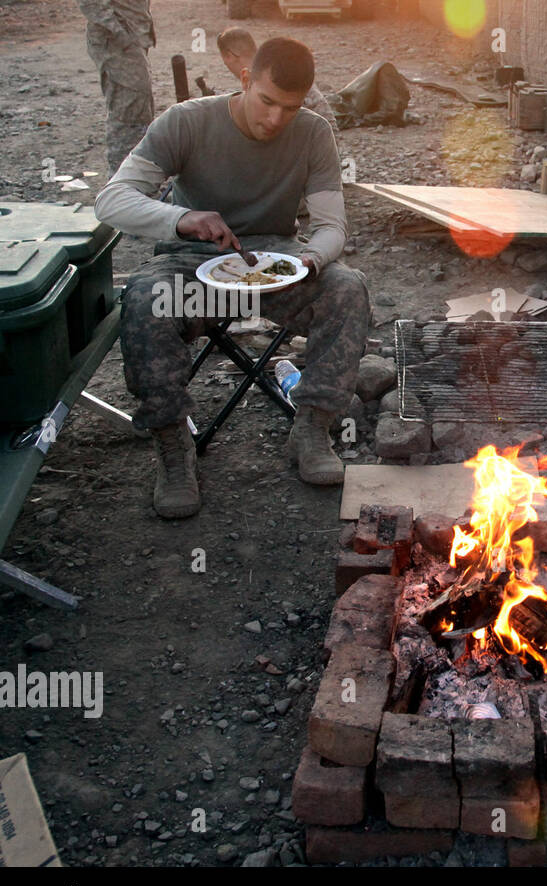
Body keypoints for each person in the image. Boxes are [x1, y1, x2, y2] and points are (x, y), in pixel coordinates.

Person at [95, 36, 369, 519]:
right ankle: (173, 444)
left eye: (290, 107)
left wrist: (310, 261)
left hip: (276, 261)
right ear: (245, 80)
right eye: (266, 101)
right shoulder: (187, 121)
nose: (275, 119)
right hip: (192, 257)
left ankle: (311, 426)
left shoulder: (313, 133)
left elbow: (331, 226)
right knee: (144, 298)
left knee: (347, 287)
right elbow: (112, 200)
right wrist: (182, 220)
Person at [78, 0, 156, 175]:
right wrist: (119, 32)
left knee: (140, 108)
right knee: (128, 110)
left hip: (133, 37)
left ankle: (137, 179)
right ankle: (122, 181)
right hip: (117, 42)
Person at [216, 27, 339, 133]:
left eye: (267, 101)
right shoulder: (273, 68)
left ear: (229, 56)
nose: (275, 119)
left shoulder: (267, 78)